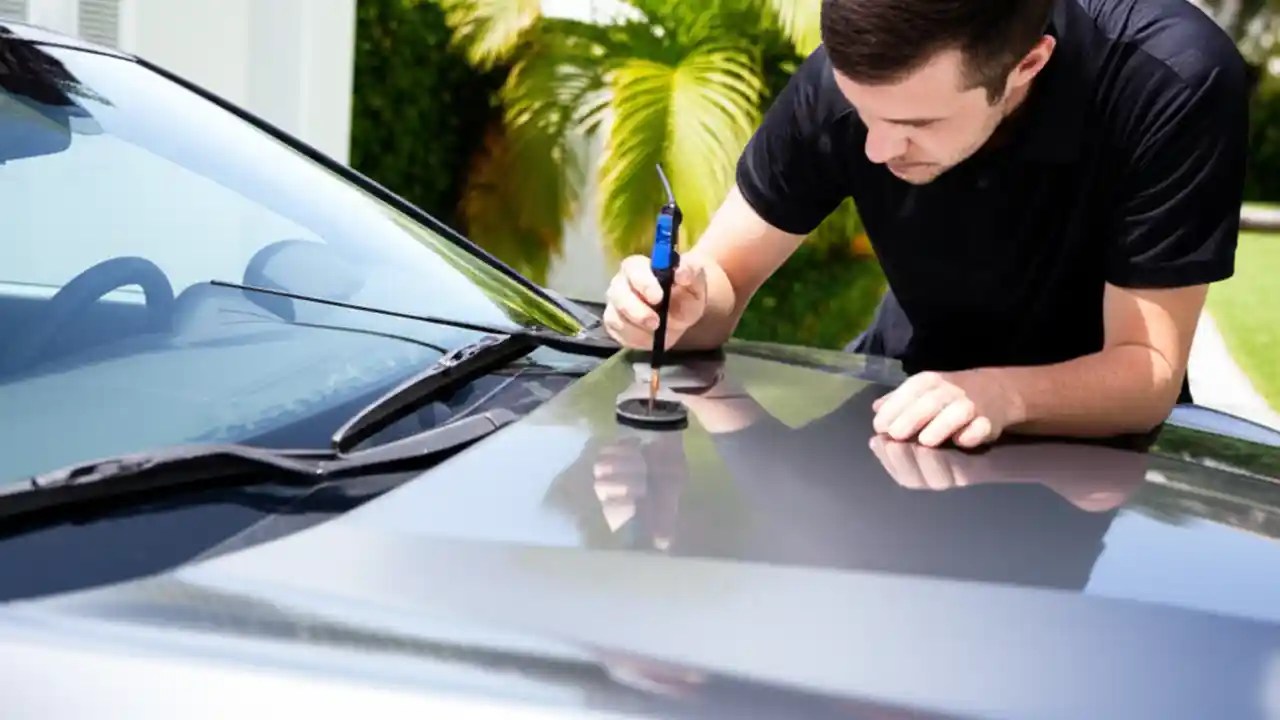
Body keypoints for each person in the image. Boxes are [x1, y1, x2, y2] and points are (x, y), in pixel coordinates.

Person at [600, 0, 1250, 449]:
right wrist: (675, 305)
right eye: (862, 114)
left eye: (915, 126)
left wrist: (1000, 394)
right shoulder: (846, 80)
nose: (877, 150)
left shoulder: (1171, 80)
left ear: (1027, 64)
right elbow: (721, 286)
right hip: (892, 406)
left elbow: (1145, 371)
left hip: (1085, 454)